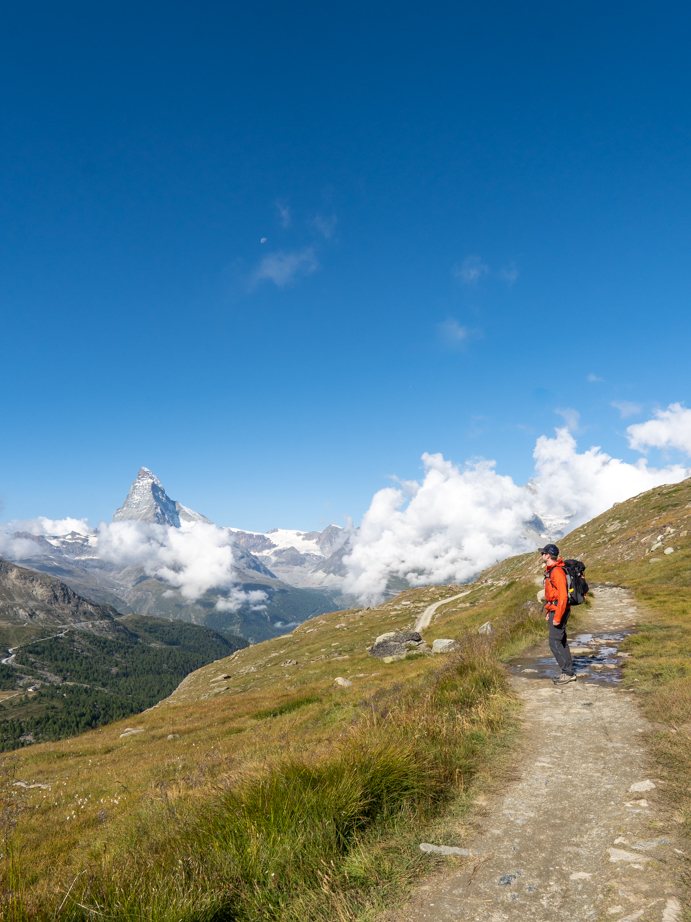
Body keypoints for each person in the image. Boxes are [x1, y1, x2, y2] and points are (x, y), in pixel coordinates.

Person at [539, 544, 576, 686]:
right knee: (561, 641)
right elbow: (552, 596)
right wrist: (549, 612)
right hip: (554, 609)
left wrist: (558, 617)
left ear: (548, 555)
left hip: (559, 610)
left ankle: (568, 673)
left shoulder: (557, 572)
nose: (541, 556)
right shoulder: (551, 570)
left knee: (554, 642)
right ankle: (568, 671)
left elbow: (562, 597)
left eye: (543, 553)